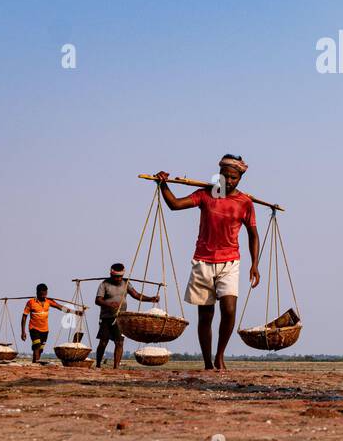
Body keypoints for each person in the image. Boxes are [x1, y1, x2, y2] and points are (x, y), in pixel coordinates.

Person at [152, 156, 260, 370]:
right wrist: (163, 185)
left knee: (229, 309)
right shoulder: (205, 195)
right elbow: (174, 205)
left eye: (234, 178)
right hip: (203, 261)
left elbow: (253, 234)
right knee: (206, 315)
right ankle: (208, 362)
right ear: (219, 174)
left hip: (230, 261)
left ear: (240, 178)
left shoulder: (245, 203)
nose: (229, 181)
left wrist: (255, 264)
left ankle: (220, 355)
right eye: (225, 176)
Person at [93, 262, 159, 369]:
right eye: (115, 277)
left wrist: (151, 299)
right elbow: (98, 300)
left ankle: (116, 367)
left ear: (122, 275)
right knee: (103, 342)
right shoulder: (104, 284)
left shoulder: (126, 283)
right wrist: (109, 304)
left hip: (120, 318)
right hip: (106, 317)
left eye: (120, 277)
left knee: (119, 342)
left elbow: (136, 295)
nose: (118, 279)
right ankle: (98, 365)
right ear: (111, 275)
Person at [20, 284, 73, 364]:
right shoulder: (31, 302)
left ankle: (35, 362)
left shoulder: (48, 301)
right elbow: (24, 317)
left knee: (41, 349)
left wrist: (73, 312)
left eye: (45, 294)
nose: (43, 296)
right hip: (34, 328)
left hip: (45, 330)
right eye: (42, 294)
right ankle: (36, 364)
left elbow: (59, 307)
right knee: (36, 346)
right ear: (37, 293)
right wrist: (23, 332)